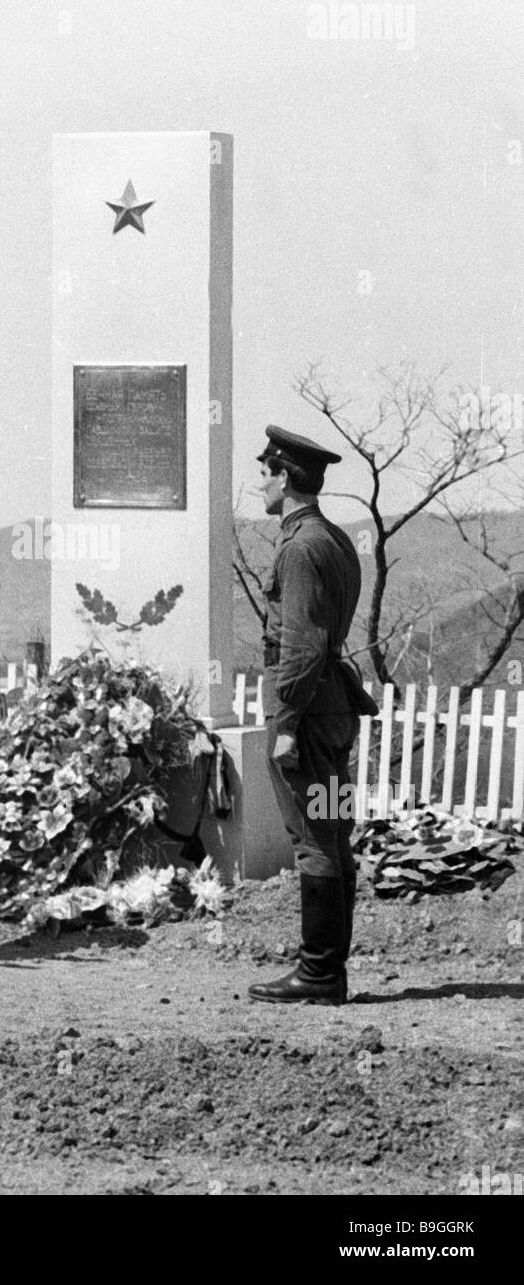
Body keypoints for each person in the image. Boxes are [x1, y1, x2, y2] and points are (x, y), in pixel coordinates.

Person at [247, 426, 370, 1007]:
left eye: (266, 472)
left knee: (313, 839)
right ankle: (329, 970)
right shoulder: (336, 541)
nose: (260, 482)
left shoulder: (297, 548)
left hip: (307, 714)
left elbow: (300, 645)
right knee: (335, 831)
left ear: (285, 477)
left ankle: (320, 974)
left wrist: (287, 723)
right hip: (336, 711)